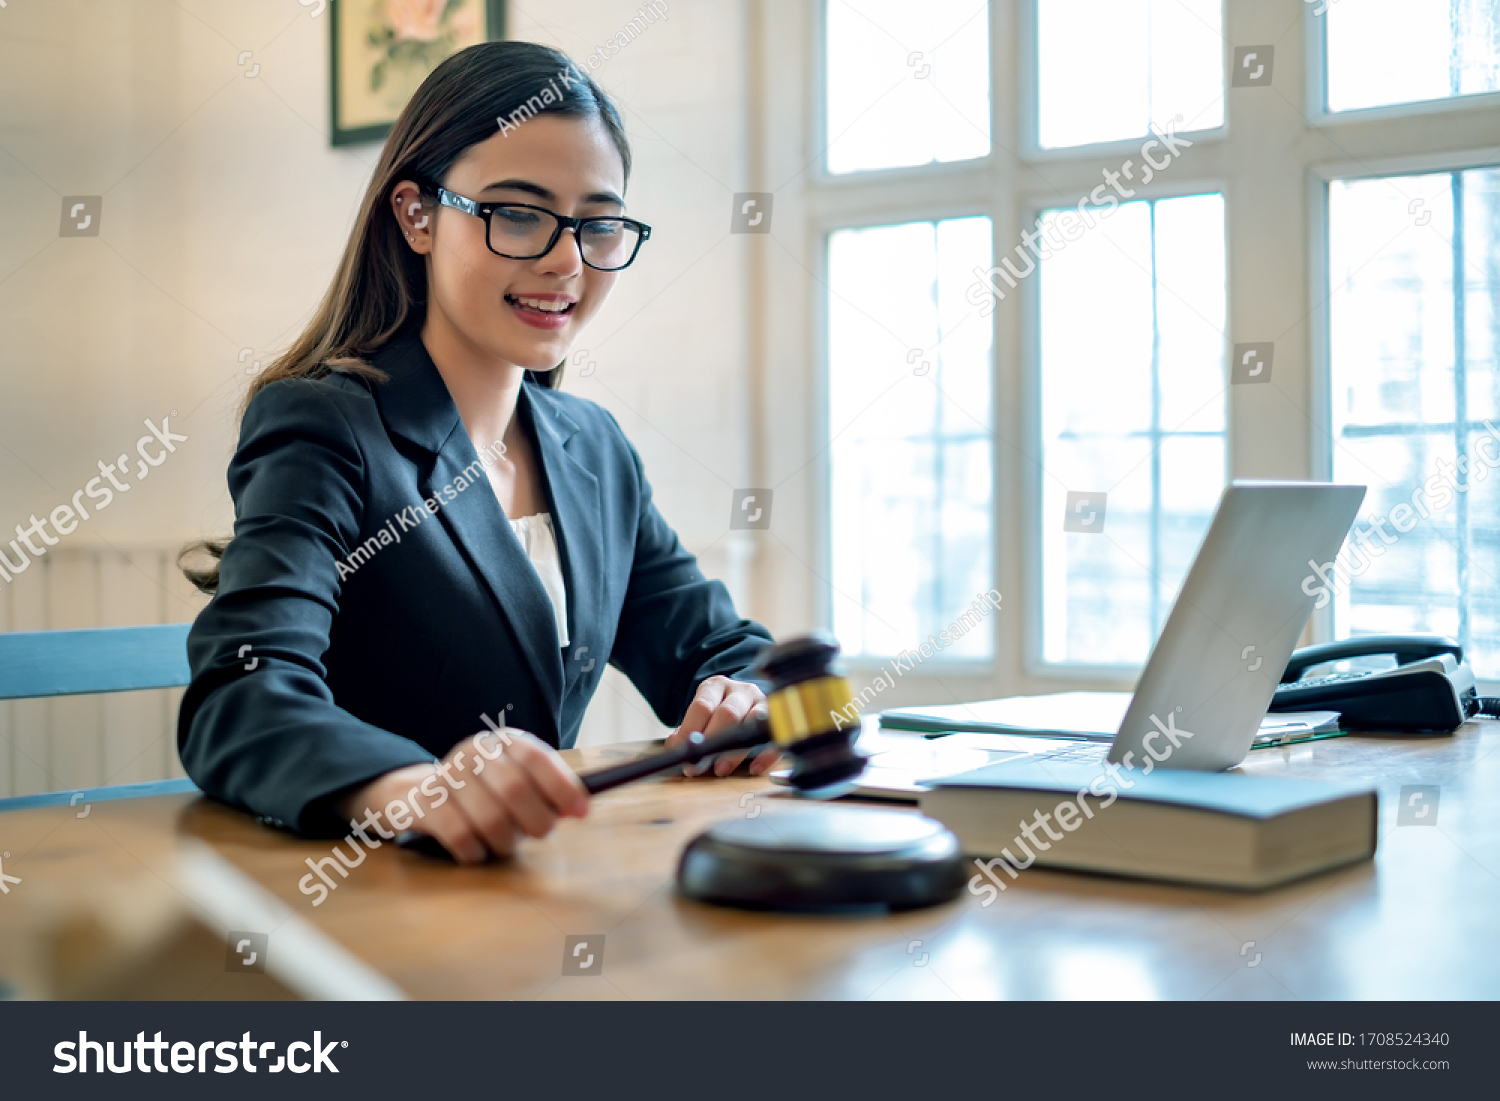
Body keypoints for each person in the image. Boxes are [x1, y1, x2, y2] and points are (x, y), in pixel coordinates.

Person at [177, 41, 776, 864]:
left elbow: (726, 649)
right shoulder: (323, 426)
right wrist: (417, 789)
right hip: (371, 898)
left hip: (531, 896)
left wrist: (747, 694)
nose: (567, 260)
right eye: (519, 213)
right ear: (416, 215)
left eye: (597, 222)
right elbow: (242, 697)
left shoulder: (592, 448)